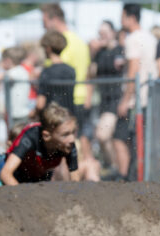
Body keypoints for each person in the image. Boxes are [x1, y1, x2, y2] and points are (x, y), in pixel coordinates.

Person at [41, 4, 93, 165]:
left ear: (54, 20)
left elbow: (56, 70)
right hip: (80, 96)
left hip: (65, 99)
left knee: (68, 142)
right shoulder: (79, 41)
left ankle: (83, 171)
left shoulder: (65, 43)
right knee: (79, 137)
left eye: (44, 21)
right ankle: (87, 170)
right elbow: (88, 71)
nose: (43, 26)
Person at [119, 3, 157, 181]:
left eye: (122, 16)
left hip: (137, 99)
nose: (121, 20)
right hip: (151, 96)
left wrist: (125, 99)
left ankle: (132, 180)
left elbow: (133, 69)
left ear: (131, 18)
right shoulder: (150, 37)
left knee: (132, 142)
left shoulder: (132, 38)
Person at [0, 102, 78, 185]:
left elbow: (76, 182)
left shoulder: (67, 144)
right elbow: (5, 174)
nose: (72, 139)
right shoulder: (31, 137)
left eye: (73, 132)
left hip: (36, 176)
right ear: (46, 136)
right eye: (65, 135)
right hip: (1, 173)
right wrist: (23, 197)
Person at [89, 20, 130, 179]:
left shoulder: (121, 50)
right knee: (108, 138)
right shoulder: (99, 53)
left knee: (103, 134)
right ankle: (113, 168)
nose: (102, 36)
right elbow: (91, 74)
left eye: (105, 32)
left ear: (113, 32)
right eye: (100, 33)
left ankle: (114, 168)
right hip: (103, 100)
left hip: (117, 100)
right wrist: (92, 54)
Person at [36, 31, 76, 113]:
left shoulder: (46, 72)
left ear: (48, 48)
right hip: (68, 116)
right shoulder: (71, 70)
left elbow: (40, 104)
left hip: (52, 117)